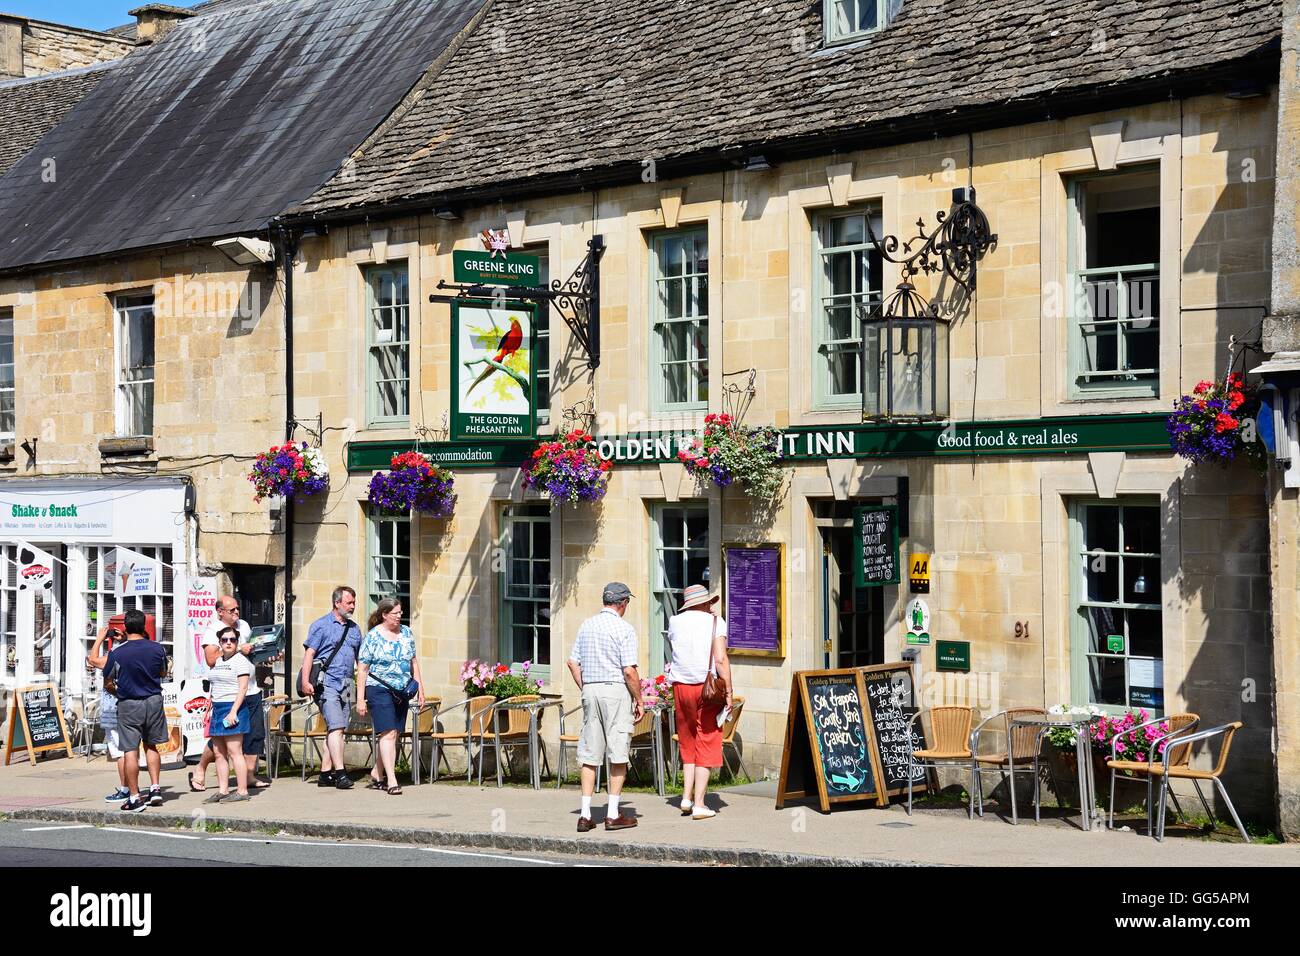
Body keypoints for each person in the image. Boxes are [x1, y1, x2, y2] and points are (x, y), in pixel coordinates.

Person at [566, 582, 643, 832]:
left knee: (590, 753)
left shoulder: (587, 625)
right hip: (615, 690)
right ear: (622, 603)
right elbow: (629, 671)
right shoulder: (624, 629)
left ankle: (586, 814)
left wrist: (586, 686)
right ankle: (612, 813)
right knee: (617, 752)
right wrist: (639, 699)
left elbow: (572, 662)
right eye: (627, 603)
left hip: (591, 688)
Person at [88, 608, 169, 813]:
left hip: (129, 702)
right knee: (152, 746)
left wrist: (119, 692)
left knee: (130, 750)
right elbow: (163, 672)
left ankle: (134, 797)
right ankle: (155, 788)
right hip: (153, 700)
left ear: (125, 627)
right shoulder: (157, 648)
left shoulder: (118, 653)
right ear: (143, 626)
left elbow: (107, 682)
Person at [668, 583, 733, 821]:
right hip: (706, 687)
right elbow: (720, 659)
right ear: (704, 603)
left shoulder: (675, 621)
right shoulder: (716, 622)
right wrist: (728, 691)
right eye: (709, 603)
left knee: (688, 740)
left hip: (680, 686)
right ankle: (699, 804)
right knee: (707, 739)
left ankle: (685, 797)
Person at [188, 596, 263, 792]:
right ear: (220, 612)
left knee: (254, 734)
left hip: (250, 687)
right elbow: (211, 659)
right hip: (228, 694)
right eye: (232, 610)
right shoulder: (213, 631)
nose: (237, 613)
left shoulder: (244, 626)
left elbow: (250, 653)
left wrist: (266, 652)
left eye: (238, 609)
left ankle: (248, 776)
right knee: (221, 739)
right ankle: (201, 768)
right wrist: (238, 647)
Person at [356, 598, 424, 795]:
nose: (399, 617)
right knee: (388, 732)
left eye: (400, 613)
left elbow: (414, 662)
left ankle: (377, 772)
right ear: (384, 615)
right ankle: (391, 780)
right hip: (378, 688)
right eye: (395, 613)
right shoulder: (373, 637)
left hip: (402, 690)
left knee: (395, 734)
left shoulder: (407, 633)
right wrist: (361, 699)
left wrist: (420, 689)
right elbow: (362, 669)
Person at [299, 585, 361, 788]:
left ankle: (325, 774)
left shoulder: (354, 629)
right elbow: (309, 654)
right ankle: (341, 774)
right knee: (336, 726)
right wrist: (306, 681)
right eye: (349, 602)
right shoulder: (321, 625)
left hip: (347, 684)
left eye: (353, 602)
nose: (353, 606)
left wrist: (362, 688)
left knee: (338, 730)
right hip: (327, 684)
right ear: (337, 603)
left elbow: (361, 661)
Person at [204, 626, 255, 803]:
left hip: (233, 707)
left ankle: (242, 791)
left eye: (232, 640)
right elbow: (215, 684)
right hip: (218, 708)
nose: (228, 643)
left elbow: (243, 688)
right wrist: (210, 702)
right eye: (225, 640)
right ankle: (223, 790)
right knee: (218, 752)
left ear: (237, 642)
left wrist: (233, 711)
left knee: (235, 751)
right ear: (219, 642)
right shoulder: (218, 661)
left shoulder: (241, 661)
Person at [87, 626, 130, 804]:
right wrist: (123, 638)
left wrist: (99, 638)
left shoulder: (115, 656)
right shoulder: (133, 653)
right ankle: (139, 788)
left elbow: (92, 660)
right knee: (130, 750)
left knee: (120, 753)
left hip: (113, 709)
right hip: (130, 708)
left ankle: (125, 789)